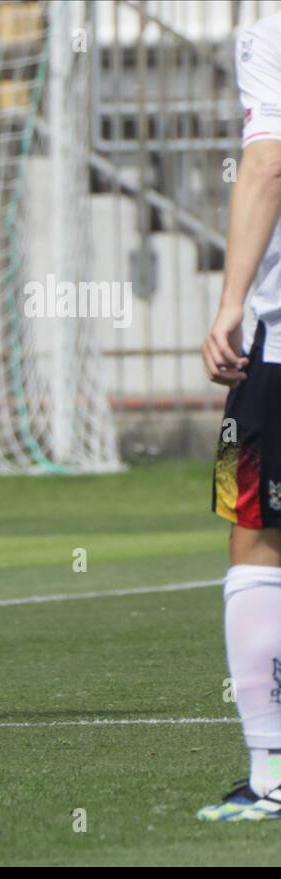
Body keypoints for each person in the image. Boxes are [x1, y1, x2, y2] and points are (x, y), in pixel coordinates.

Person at [196, 12, 281, 822]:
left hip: (279, 342)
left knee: (255, 534)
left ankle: (273, 775)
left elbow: (268, 161)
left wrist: (230, 304)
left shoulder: (268, 29)